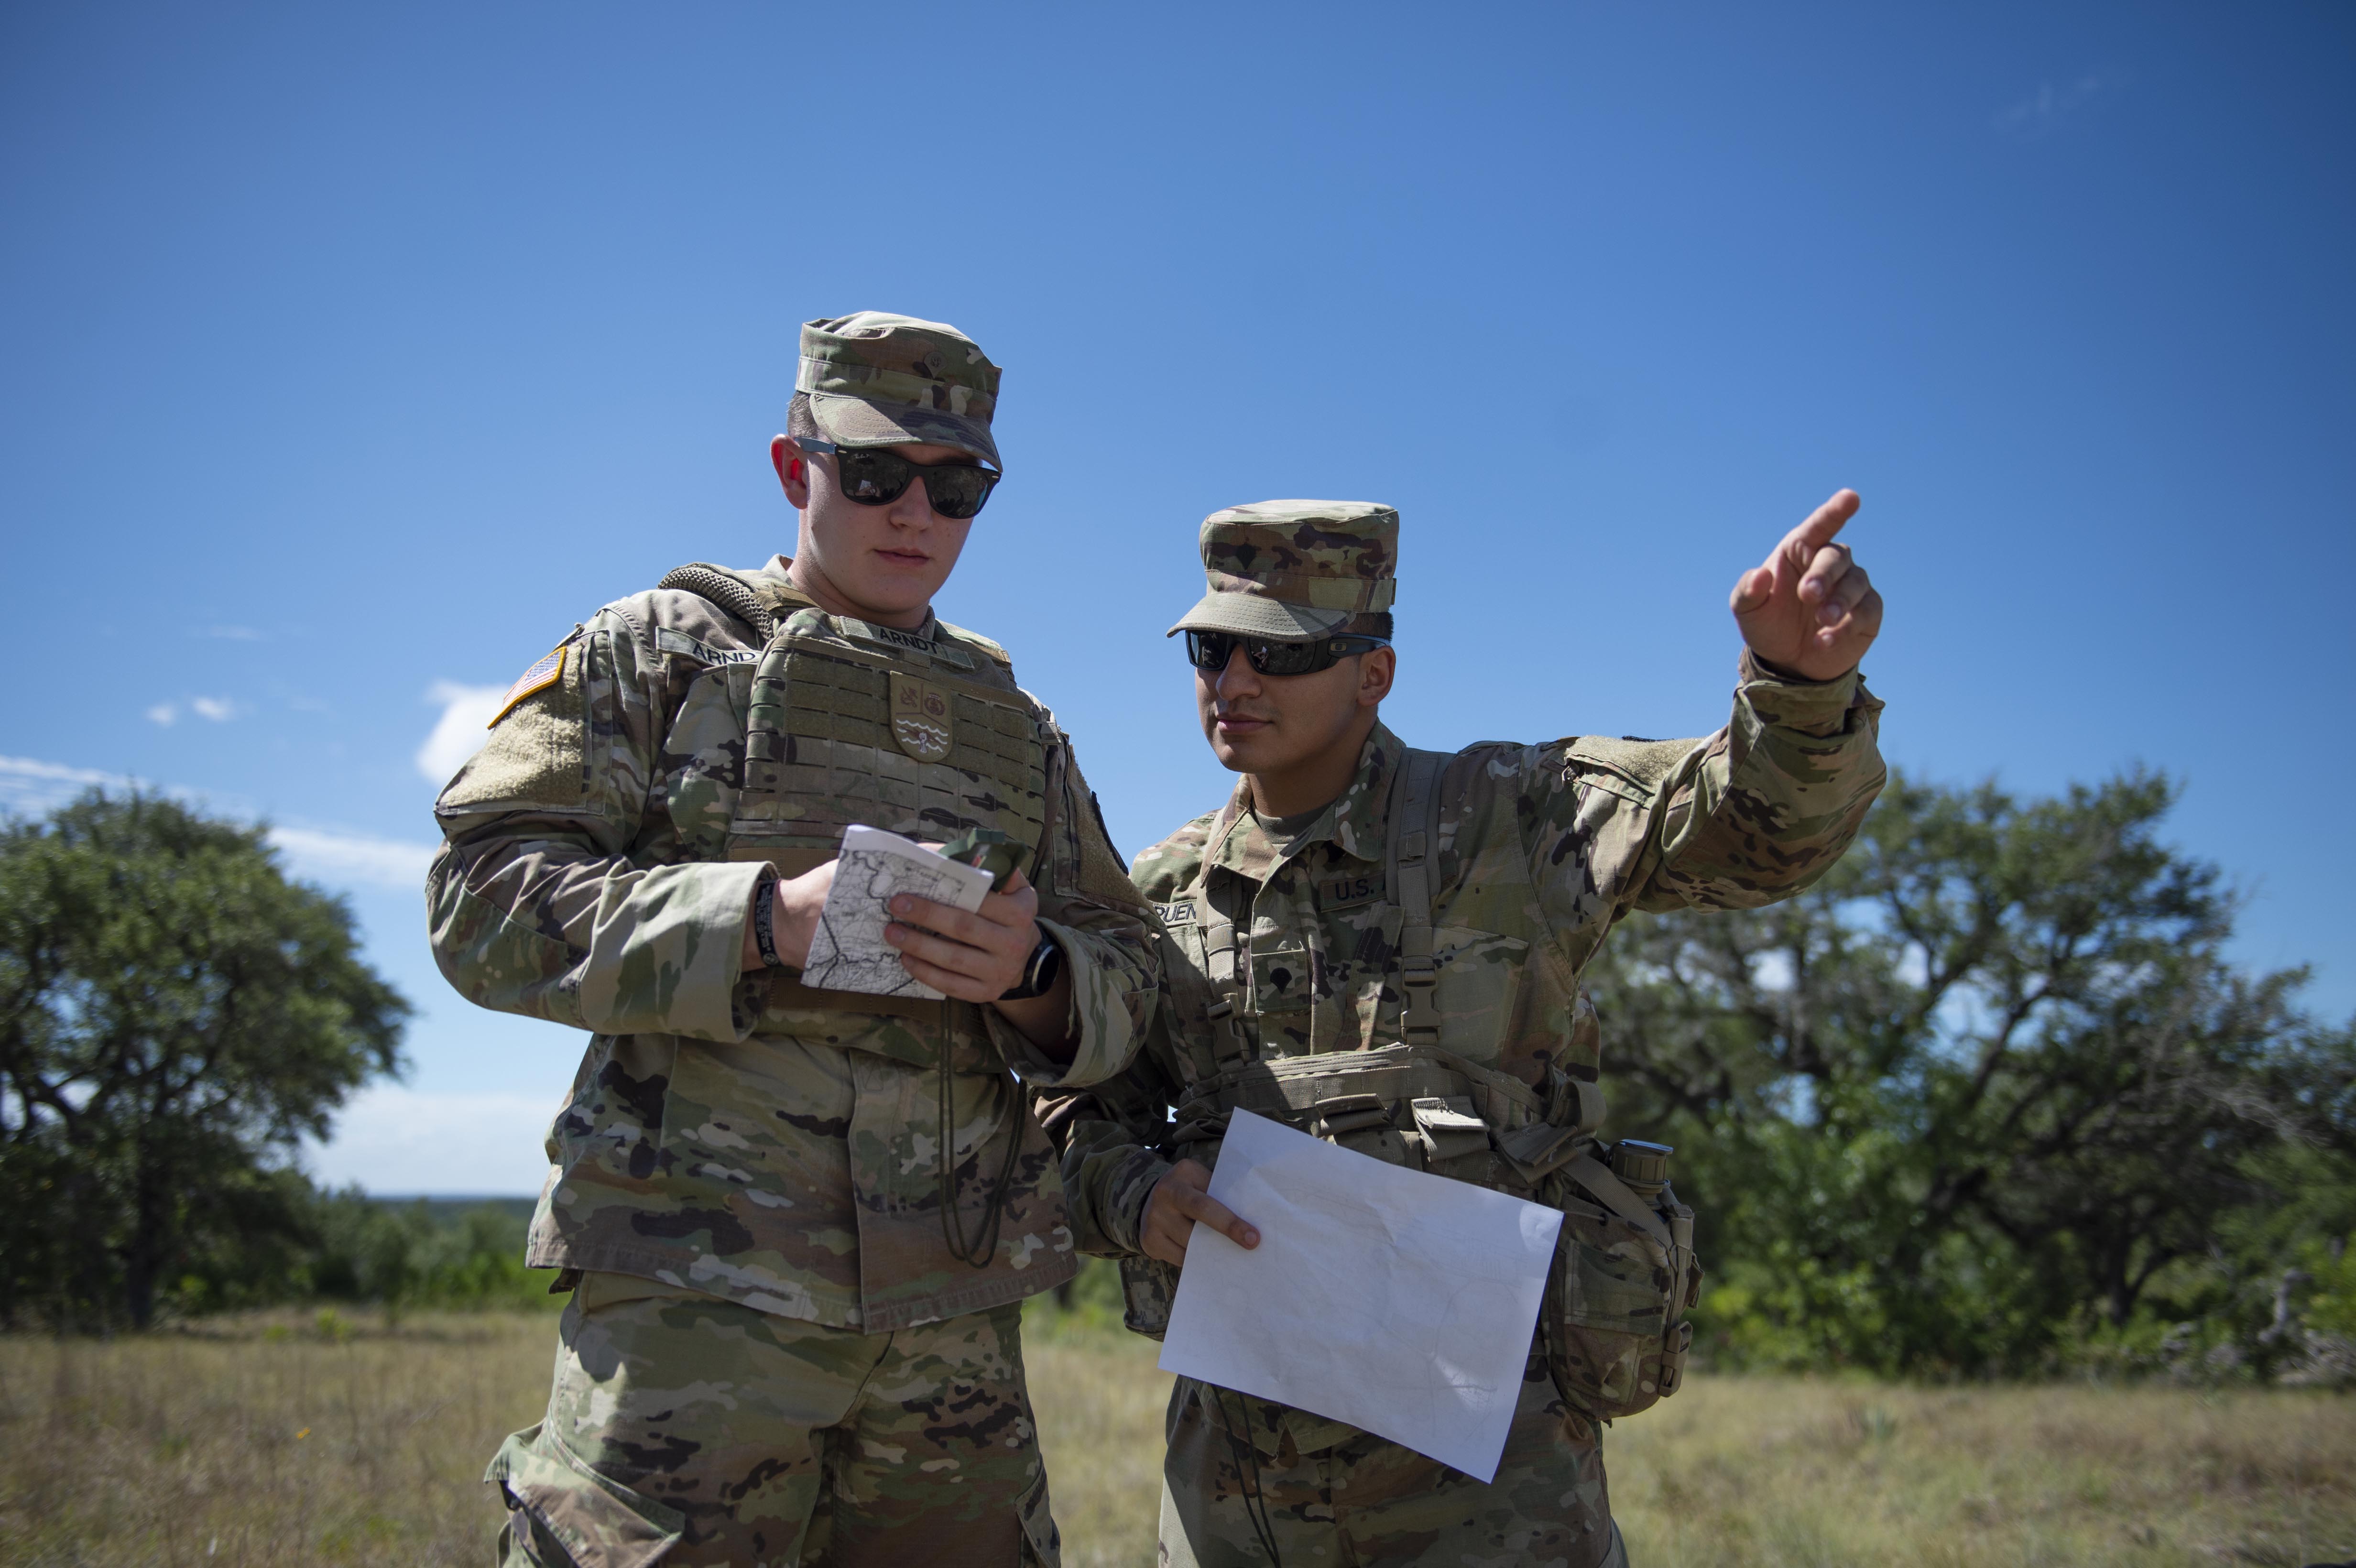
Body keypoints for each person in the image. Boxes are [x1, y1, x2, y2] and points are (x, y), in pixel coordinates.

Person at [427, 312, 1159, 1567]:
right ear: (792, 468)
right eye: (874, 474)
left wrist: (1037, 982)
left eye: (958, 484)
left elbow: (1137, 970)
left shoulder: (1020, 727)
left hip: (953, 1324)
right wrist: (761, 922)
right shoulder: (659, 649)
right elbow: (480, 902)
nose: (914, 512)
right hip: (699, 1309)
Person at [1046, 495, 1888, 1567]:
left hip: (1492, 1481)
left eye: (1280, 652)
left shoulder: (1508, 815)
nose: (1236, 681)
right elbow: (1073, 1108)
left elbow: (1745, 830)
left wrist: (1800, 689)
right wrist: (1135, 1194)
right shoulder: (1161, 890)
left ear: (1373, 672)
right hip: (1240, 1481)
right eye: (1212, 647)